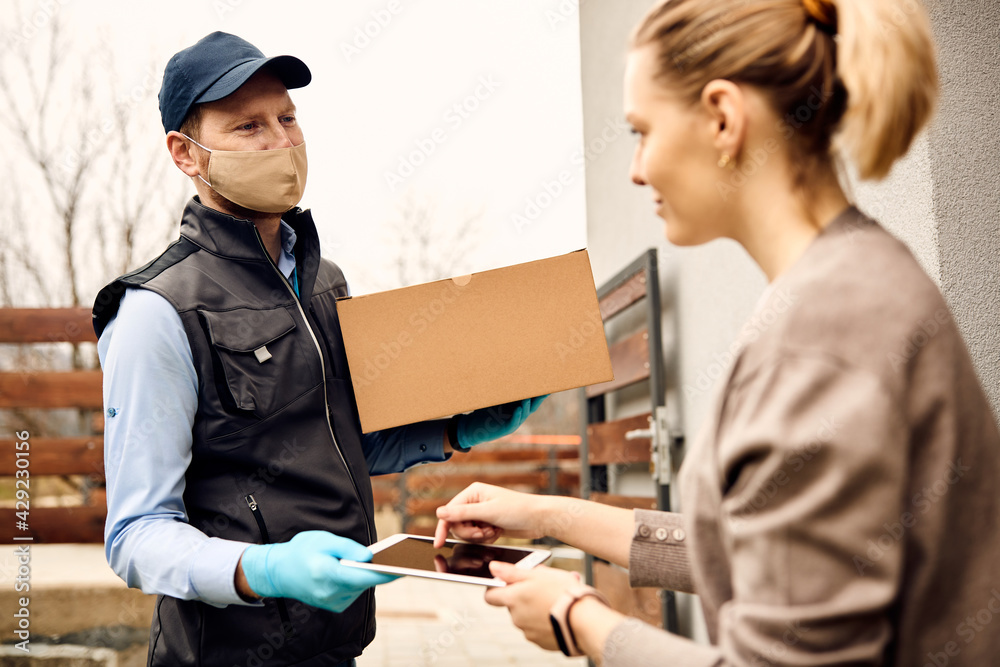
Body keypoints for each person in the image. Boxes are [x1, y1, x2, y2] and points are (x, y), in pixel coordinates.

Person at [434, 0, 1000, 664]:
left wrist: (577, 618)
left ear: (724, 119)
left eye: (642, 131)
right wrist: (547, 515)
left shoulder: (825, 334)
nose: (636, 169)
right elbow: (744, 545)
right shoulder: (844, 283)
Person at [91, 32, 543, 667]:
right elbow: (136, 536)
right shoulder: (157, 310)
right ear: (185, 154)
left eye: (287, 118)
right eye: (247, 126)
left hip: (338, 644)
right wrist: (265, 569)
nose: (280, 141)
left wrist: (454, 428)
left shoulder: (326, 282)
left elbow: (336, 439)